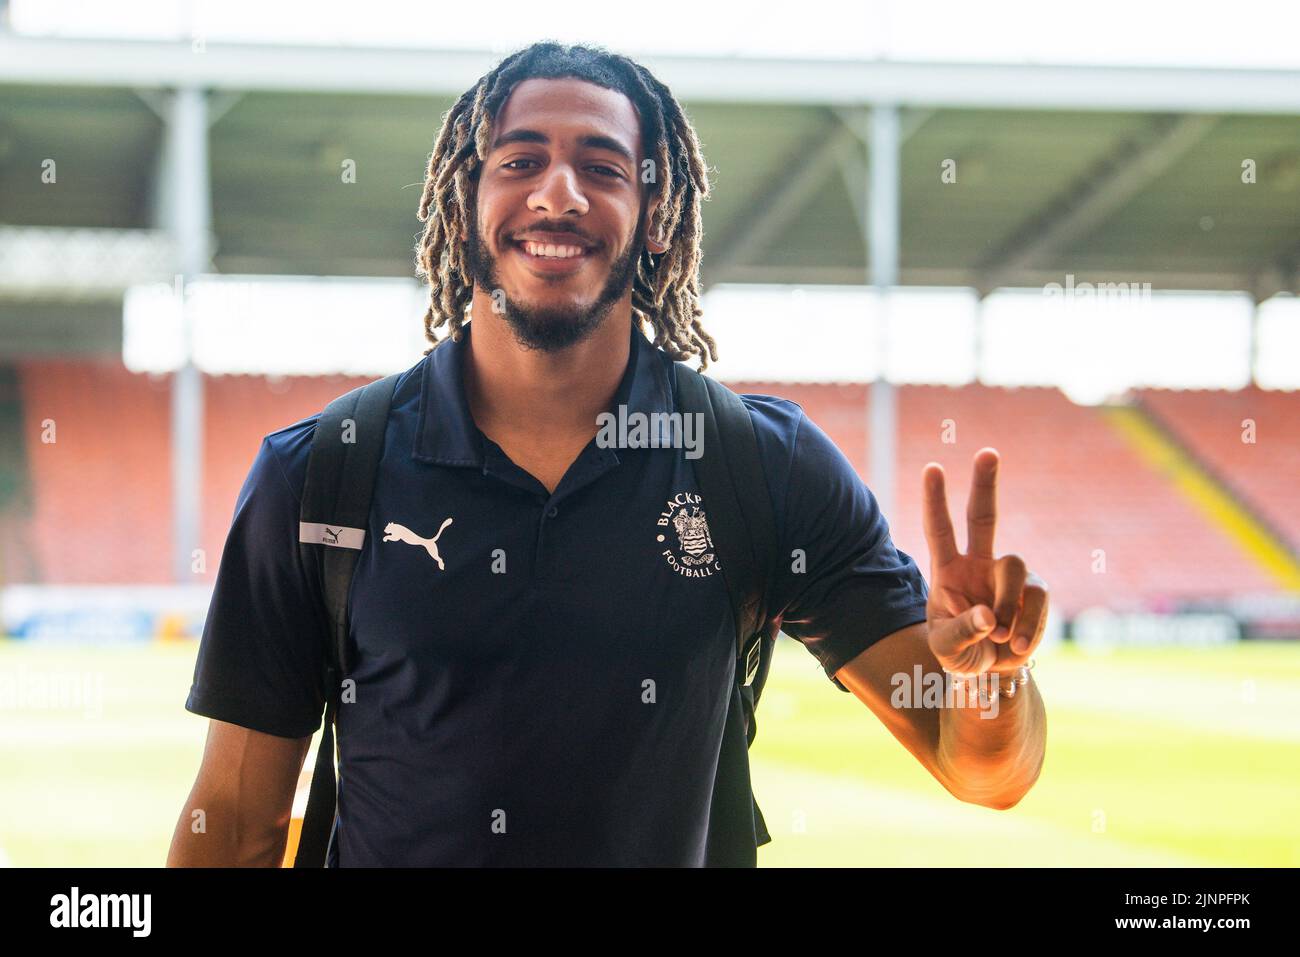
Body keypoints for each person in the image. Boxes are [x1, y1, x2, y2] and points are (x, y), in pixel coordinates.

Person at [166, 41, 1047, 868]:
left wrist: (988, 686)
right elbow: (235, 825)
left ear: (655, 214)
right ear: (464, 201)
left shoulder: (762, 466)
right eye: (520, 161)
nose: (560, 194)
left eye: (602, 167)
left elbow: (981, 769)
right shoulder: (321, 473)